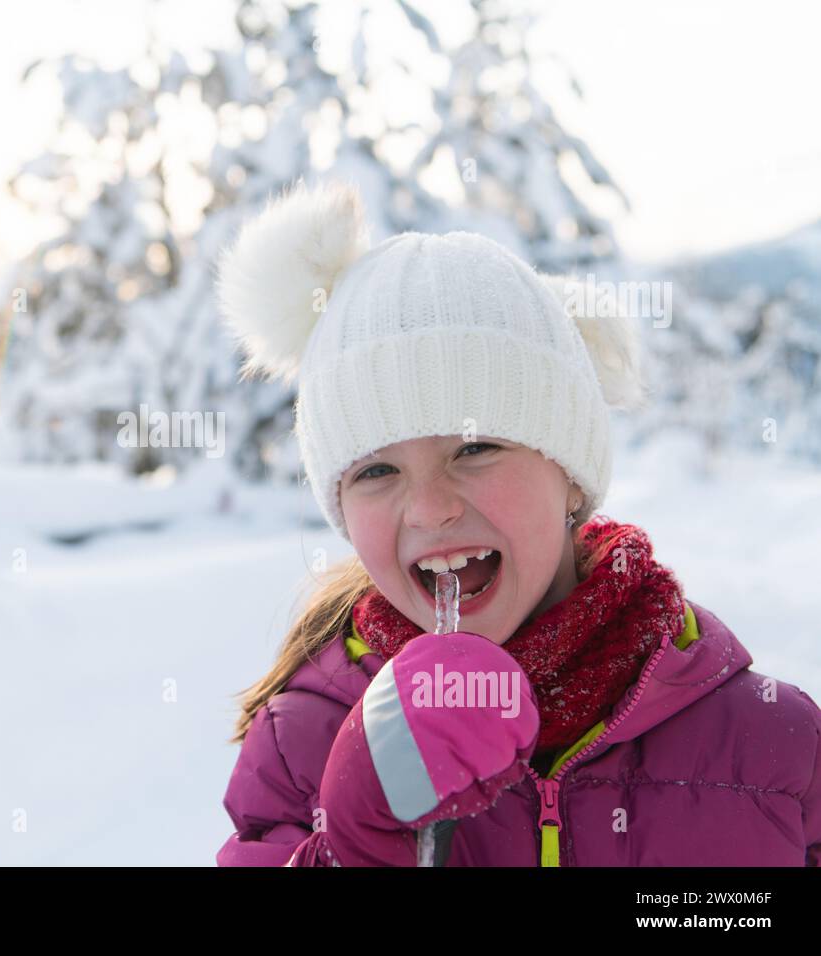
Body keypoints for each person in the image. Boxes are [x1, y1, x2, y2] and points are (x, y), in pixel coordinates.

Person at [211, 180, 821, 866]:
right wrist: (359, 840)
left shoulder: (773, 750)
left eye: (474, 449)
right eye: (376, 471)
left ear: (569, 472)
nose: (431, 507)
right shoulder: (303, 745)